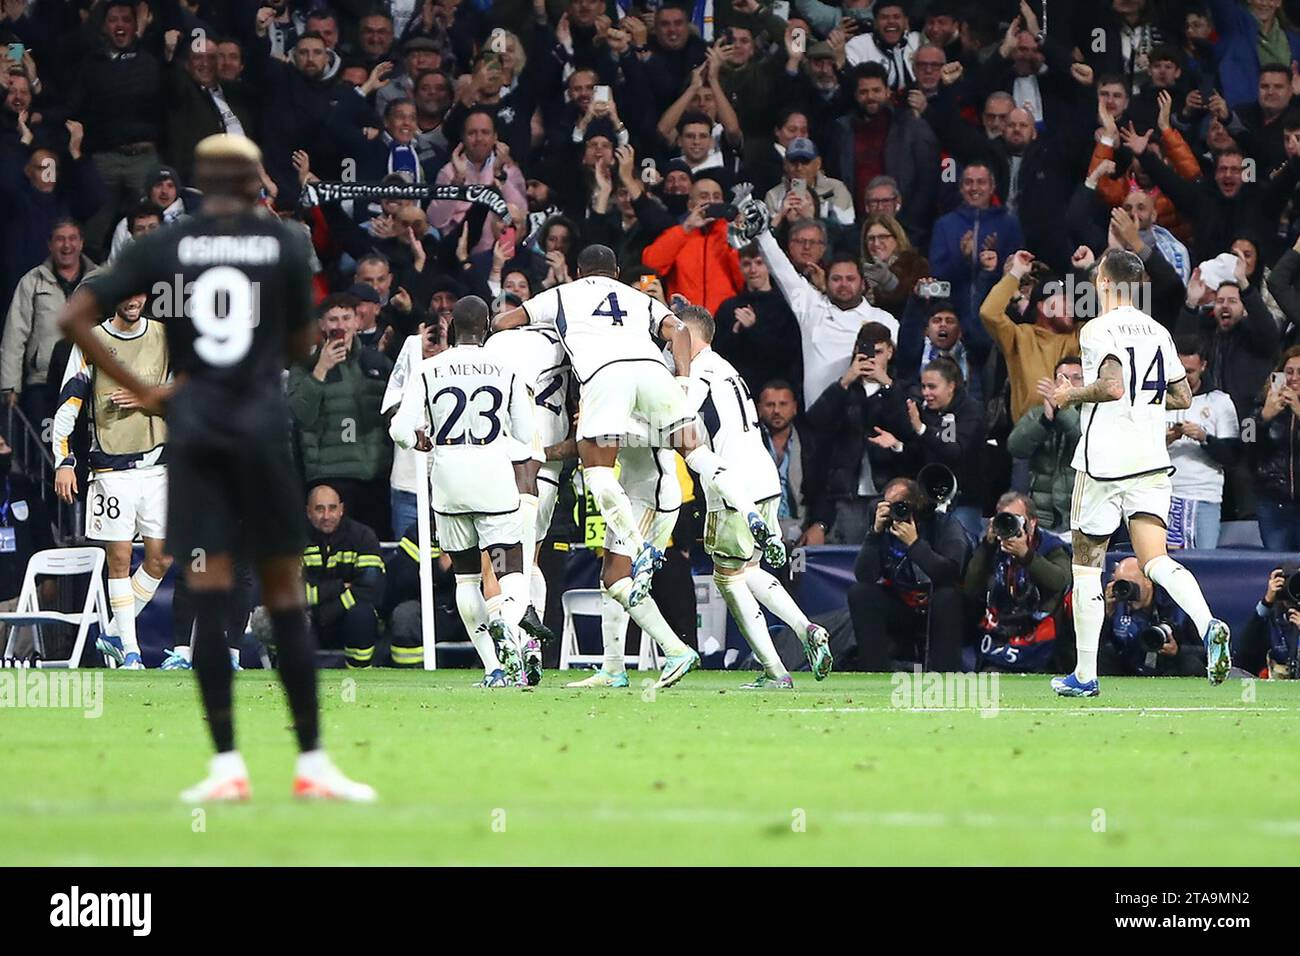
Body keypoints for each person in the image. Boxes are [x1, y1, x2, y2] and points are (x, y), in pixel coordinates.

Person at [59, 134, 375, 804]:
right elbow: (296, 341)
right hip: (259, 424)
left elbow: (75, 314)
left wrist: (144, 390)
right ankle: (312, 762)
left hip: (197, 430)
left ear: (202, 183)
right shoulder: (283, 243)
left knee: (207, 587)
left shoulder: (164, 246)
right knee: (283, 591)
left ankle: (226, 766)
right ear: (252, 179)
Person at [494, 244, 781, 689]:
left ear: (578, 269)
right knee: (698, 452)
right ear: (614, 272)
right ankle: (749, 514)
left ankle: (638, 551)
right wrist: (682, 380)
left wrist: (545, 335)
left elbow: (505, 321)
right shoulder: (640, 299)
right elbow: (678, 331)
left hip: (608, 385)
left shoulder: (565, 295)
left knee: (598, 473)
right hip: (652, 374)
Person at [1049, 248, 1230, 698]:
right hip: (1151, 461)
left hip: (1104, 463)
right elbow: (1183, 396)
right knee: (1156, 560)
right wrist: (1141, 406)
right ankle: (1208, 625)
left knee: (1087, 566)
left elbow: (1111, 386)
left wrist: (1072, 395)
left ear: (1106, 283)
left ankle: (1085, 676)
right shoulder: (1159, 332)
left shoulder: (1097, 329)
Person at [676, 305, 833, 688]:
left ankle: (773, 670)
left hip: (732, 482)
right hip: (763, 475)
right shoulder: (728, 369)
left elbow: (679, 420)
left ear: (688, 337)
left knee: (728, 579)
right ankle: (807, 628)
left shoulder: (696, 372)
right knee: (750, 570)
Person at [390, 295, 535, 688]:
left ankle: (494, 669)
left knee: (467, 580)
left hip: (449, 477)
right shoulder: (506, 368)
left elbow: (399, 429)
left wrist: (420, 440)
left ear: (452, 325)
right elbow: (524, 433)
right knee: (512, 569)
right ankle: (511, 628)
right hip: (492, 472)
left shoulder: (428, 368)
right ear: (487, 325)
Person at [51, 293, 172, 670]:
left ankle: (114, 634)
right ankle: (131, 653)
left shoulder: (165, 337)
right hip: (110, 468)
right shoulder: (91, 342)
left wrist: (144, 397)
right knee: (118, 558)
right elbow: (69, 400)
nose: (132, 300)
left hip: (157, 464)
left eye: (138, 293)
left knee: (161, 557)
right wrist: (64, 461)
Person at [846, 476, 969, 672]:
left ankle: (944, 673)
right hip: (904, 606)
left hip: (942, 608)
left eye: (900, 506)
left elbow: (949, 574)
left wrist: (915, 544)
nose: (895, 513)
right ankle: (875, 671)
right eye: (889, 505)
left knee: (947, 596)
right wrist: (874, 534)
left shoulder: (944, 525)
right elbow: (864, 576)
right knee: (861, 593)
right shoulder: (884, 526)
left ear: (916, 506)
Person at [966, 492, 1071, 673]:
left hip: (1039, 636)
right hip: (1000, 632)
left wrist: (1026, 556)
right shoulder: (993, 547)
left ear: (1032, 522)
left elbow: (1059, 582)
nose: (1009, 525)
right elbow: (970, 587)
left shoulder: (1051, 547)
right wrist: (986, 547)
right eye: (1004, 519)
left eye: (1016, 519)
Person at [1165, 336, 1240, 549]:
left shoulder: (1219, 402)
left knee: (1204, 560)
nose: (1183, 378)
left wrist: (1204, 437)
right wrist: (1168, 439)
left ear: (1203, 366)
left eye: (1189, 372)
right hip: (1166, 495)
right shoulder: (1156, 400)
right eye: (1179, 371)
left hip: (1205, 495)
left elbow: (1232, 455)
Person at [302, 484, 386, 670]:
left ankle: (360, 677)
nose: (326, 516)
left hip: (345, 617)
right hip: (310, 620)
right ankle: (289, 679)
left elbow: (372, 589)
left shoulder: (363, 536)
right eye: (319, 509)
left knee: (362, 614)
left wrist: (330, 608)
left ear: (341, 509)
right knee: (282, 614)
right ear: (308, 512)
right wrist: (340, 585)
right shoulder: (295, 538)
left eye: (332, 508)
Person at [1006, 356, 1084, 532]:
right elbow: (1016, 447)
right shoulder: (1038, 414)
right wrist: (1045, 421)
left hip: (1079, 518)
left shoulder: (1095, 415)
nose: (1068, 383)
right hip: (1041, 518)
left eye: (1076, 377)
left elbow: (1087, 443)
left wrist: (1062, 411)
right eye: (1062, 378)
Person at [1098, 557, 1205, 678]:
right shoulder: (1115, 603)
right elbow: (1097, 645)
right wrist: (1105, 614)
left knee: (1192, 665)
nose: (1126, 592)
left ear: (1148, 581)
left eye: (1131, 585)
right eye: (1121, 585)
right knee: (1101, 658)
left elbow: (1204, 651)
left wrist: (1177, 651)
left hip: (1168, 668)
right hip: (1127, 665)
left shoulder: (1176, 603)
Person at [1247, 346, 1300, 550]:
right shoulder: (1262, 403)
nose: (1294, 378)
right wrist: (1264, 417)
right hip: (1273, 502)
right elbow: (1245, 441)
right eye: (1289, 372)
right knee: (1278, 567)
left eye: (1299, 372)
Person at [1232, 563, 1300, 679]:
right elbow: (1243, 656)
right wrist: (1266, 602)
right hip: (1273, 683)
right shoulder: (1273, 616)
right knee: (1233, 674)